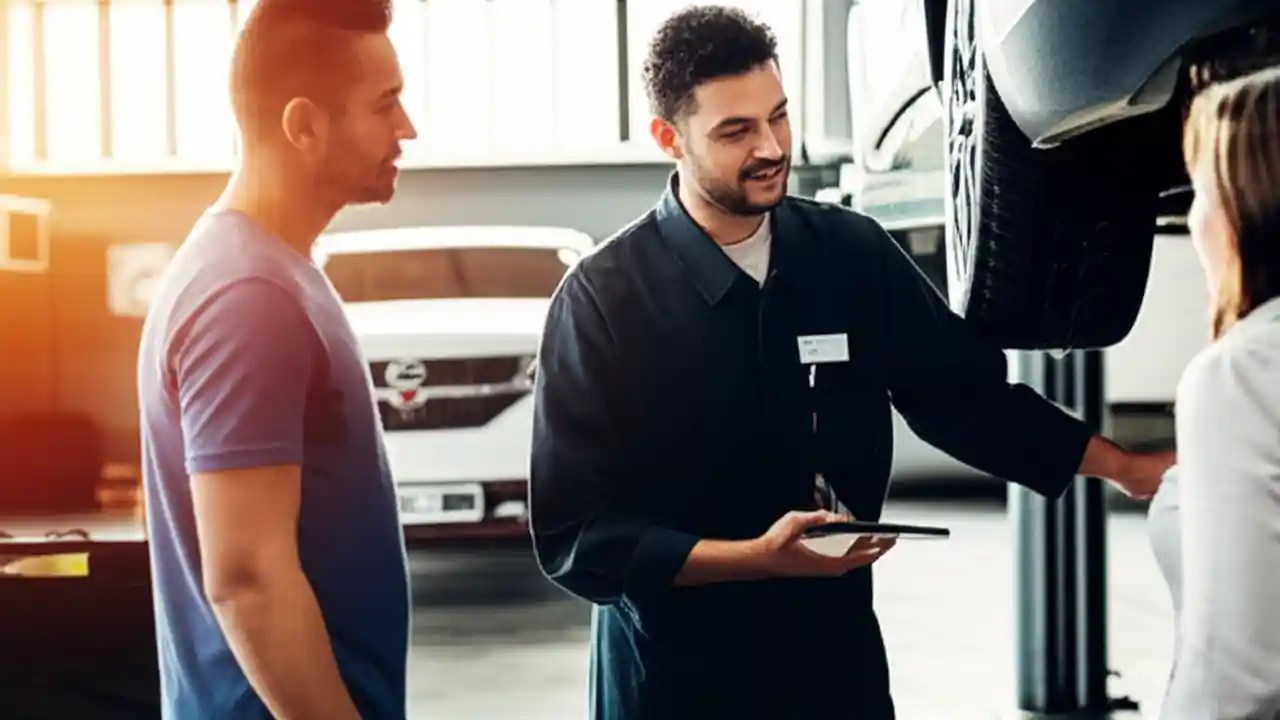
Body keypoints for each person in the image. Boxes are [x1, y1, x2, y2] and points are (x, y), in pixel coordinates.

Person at [528, 6, 1174, 719]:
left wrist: (1125, 467)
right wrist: (756, 558)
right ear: (668, 139)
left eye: (778, 116)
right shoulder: (602, 299)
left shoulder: (848, 254)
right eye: (735, 131)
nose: (771, 146)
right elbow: (575, 536)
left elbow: (964, 399)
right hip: (674, 681)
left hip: (831, 665)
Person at [136, 1, 418, 717]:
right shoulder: (247, 294)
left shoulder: (271, 269)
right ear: (304, 126)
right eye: (384, 105)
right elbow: (248, 581)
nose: (407, 128)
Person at [1149, 65, 1280, 719]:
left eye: (1200, 191)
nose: (1192, 218)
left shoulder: (1240, 374)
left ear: (1244, 211)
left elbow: (1236, 682)